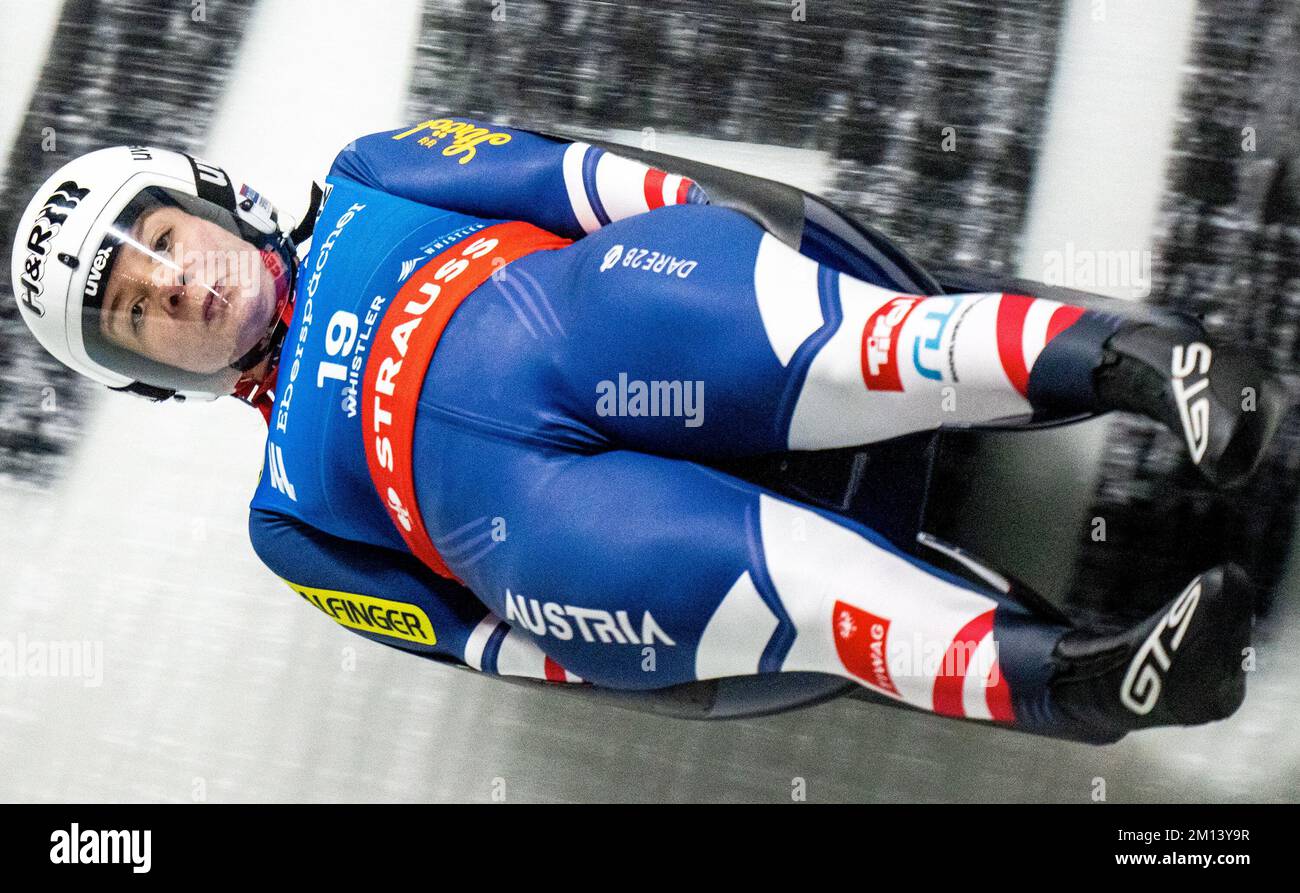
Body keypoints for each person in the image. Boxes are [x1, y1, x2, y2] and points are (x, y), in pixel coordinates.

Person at [10, 116, 1286, 744]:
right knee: (762, 580)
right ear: (147, 372)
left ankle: (1146, 364)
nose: (174, 286)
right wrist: (643, 664)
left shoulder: (372, 175)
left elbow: (581, 181)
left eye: (162, 244)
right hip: (553, 533)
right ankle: (1093, 681)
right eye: (135, 310)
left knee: (804, 342)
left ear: (207, 204)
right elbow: (480, 642)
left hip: (610, 321)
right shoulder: (286, 520)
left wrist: (744, 237)